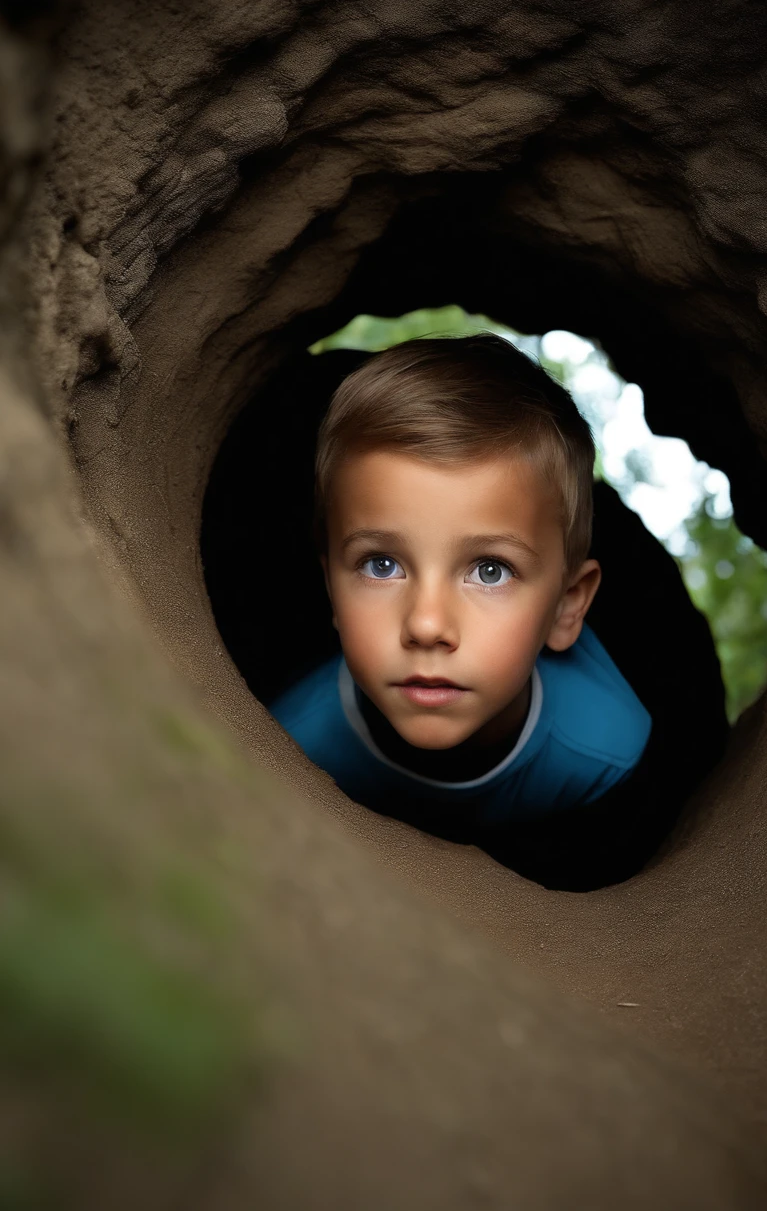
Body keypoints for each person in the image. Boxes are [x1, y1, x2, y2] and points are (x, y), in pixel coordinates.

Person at [268, 332, 664, 889]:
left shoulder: (605, 747)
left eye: (489, 570)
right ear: (329, 591)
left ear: (566, 607)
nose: (427, 625)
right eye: (381, 564)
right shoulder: (291, 745)